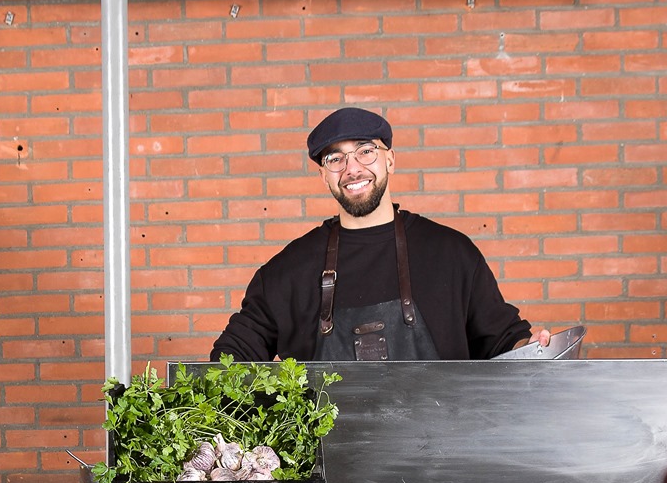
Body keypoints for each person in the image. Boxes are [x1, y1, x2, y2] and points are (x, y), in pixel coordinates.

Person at [211, 107, 553, 362]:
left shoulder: (451, 254)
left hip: (440, 456)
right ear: (324, 176)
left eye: (365, 151)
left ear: (390, 160)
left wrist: (535, 351)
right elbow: (231, 357)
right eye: (335, 159)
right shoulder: (287, 272)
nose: (352, 168)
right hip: (326, 459)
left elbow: (503, 342)